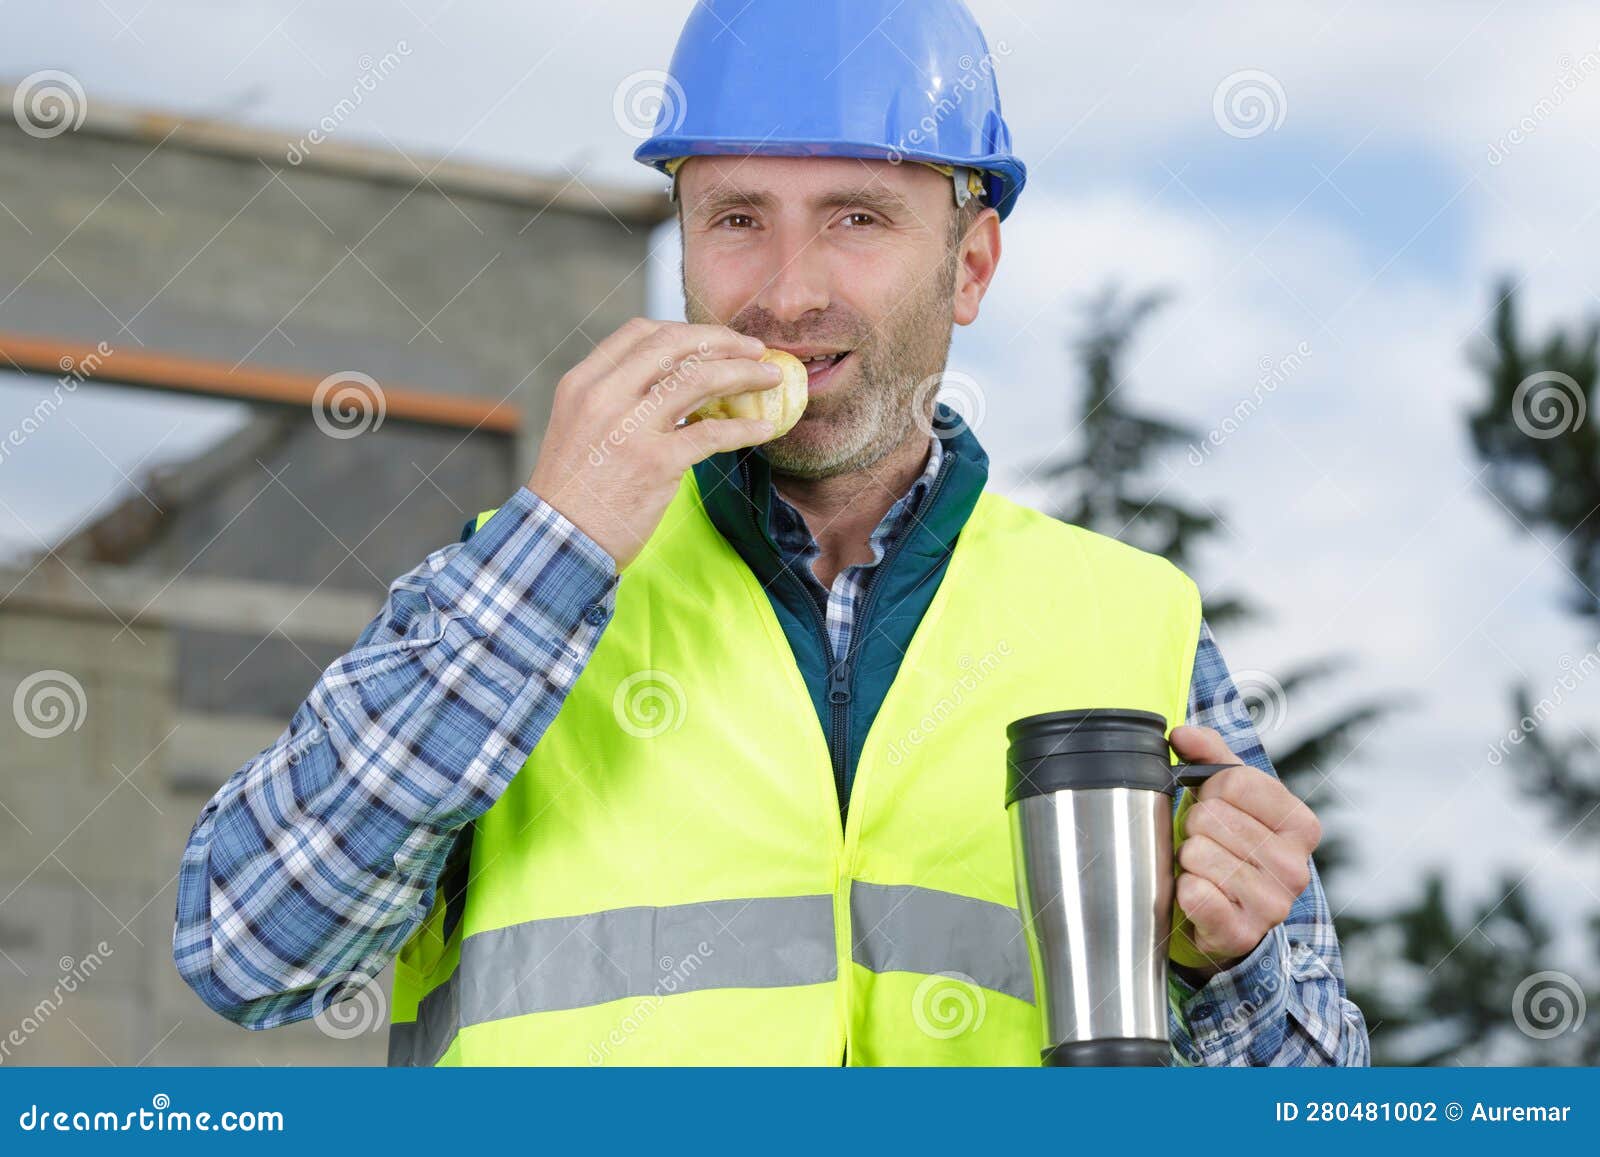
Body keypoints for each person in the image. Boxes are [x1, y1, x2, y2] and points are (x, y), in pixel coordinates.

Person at [174, 0, 1369, 1066]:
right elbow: (247, 950)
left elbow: (1319, 1093)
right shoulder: (509, 583)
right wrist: (560, 541)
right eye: (737, 217)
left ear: (971, 263)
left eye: (857, 217)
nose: (788, 290)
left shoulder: (1131, 620)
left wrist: (1230, 965)